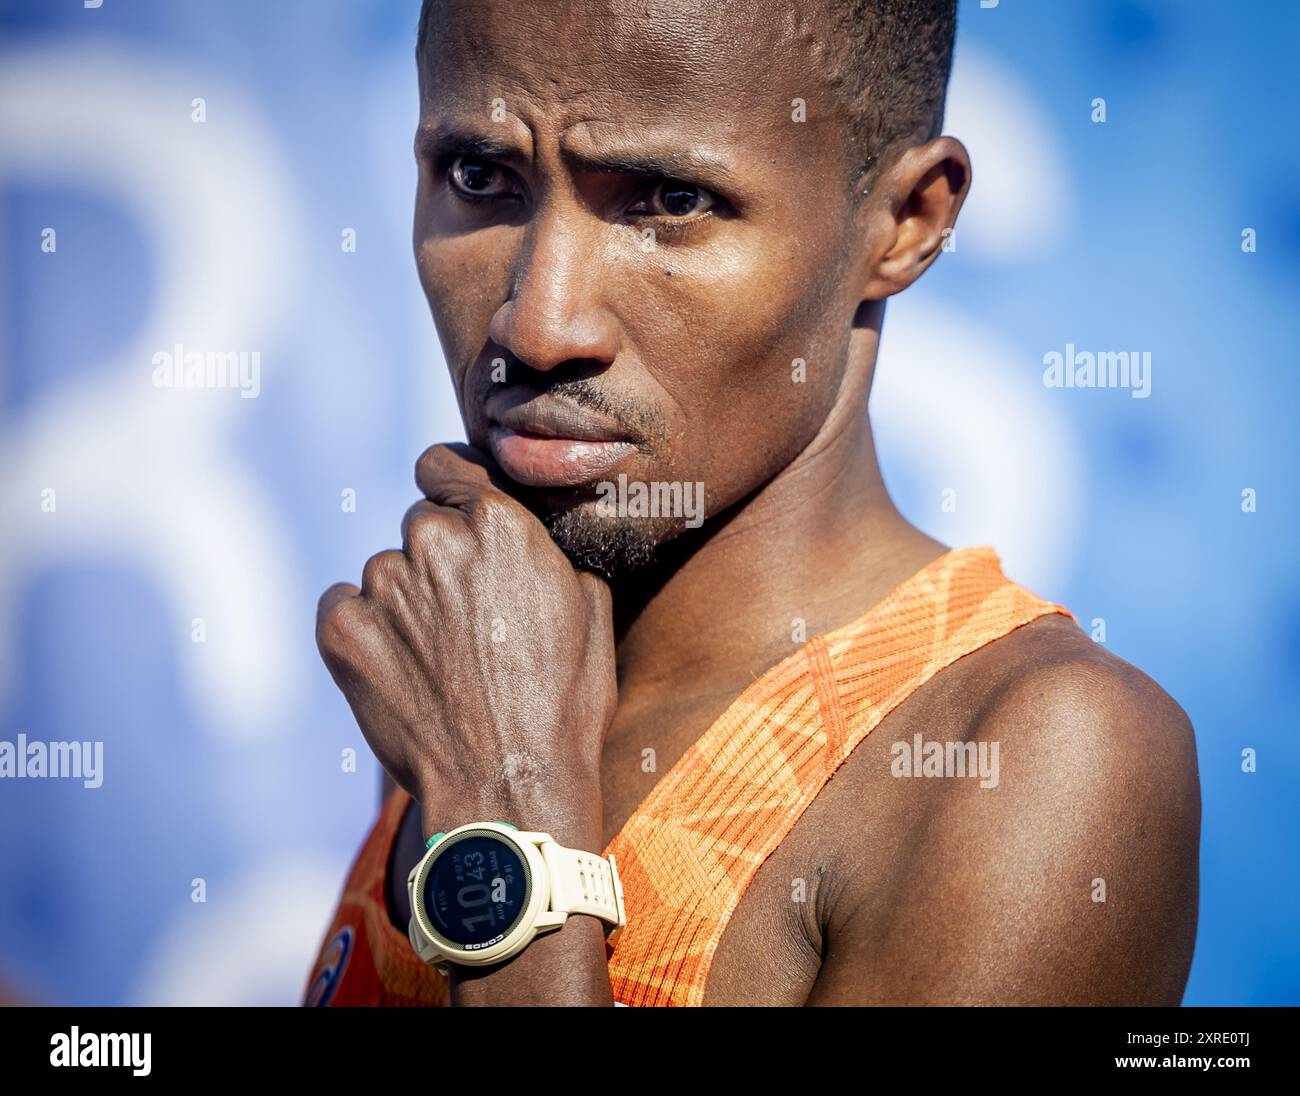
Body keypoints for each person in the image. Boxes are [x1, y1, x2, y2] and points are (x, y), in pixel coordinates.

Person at [302, 0, 1200, 1006]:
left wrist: (507, 837)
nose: (541, 322)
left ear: (905, 223)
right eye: (479, 176)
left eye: (671, 200)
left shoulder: (1031, 751)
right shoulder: (485, 663)